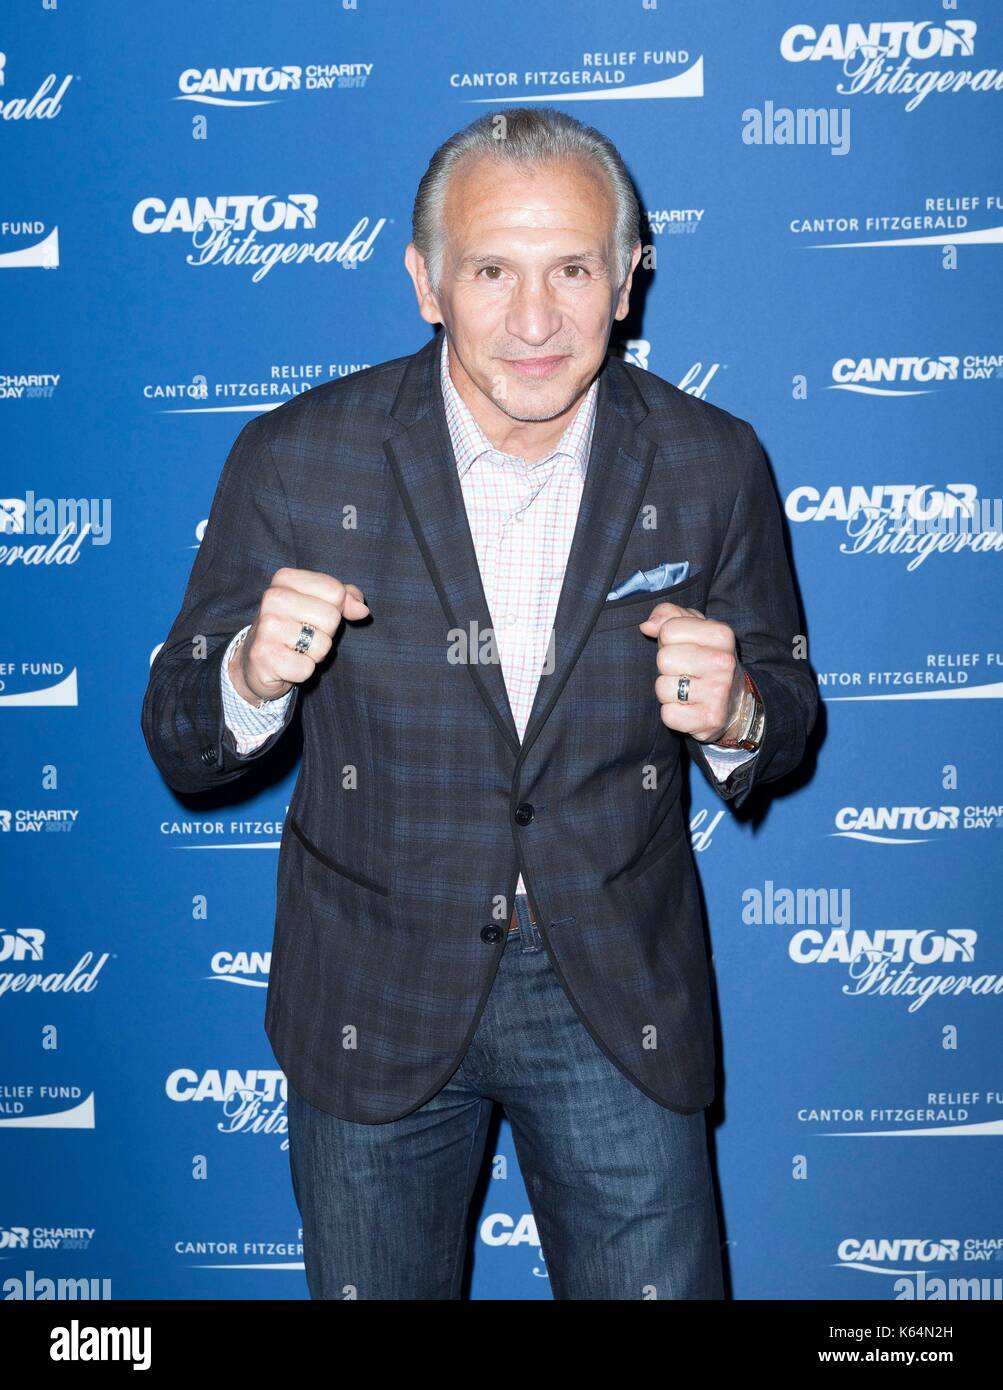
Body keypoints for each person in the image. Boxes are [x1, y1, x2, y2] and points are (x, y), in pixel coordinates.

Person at [141, 106, 817, 1300]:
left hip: (617, 990)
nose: (535, 318)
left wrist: (741, 713)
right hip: (372, 989)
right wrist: (247, 673)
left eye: (572, 268)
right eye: (491, 270)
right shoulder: (300, 457)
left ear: (627, 278)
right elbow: (182, 739)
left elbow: (791, 704)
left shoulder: (716, 461)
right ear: (425, 282)